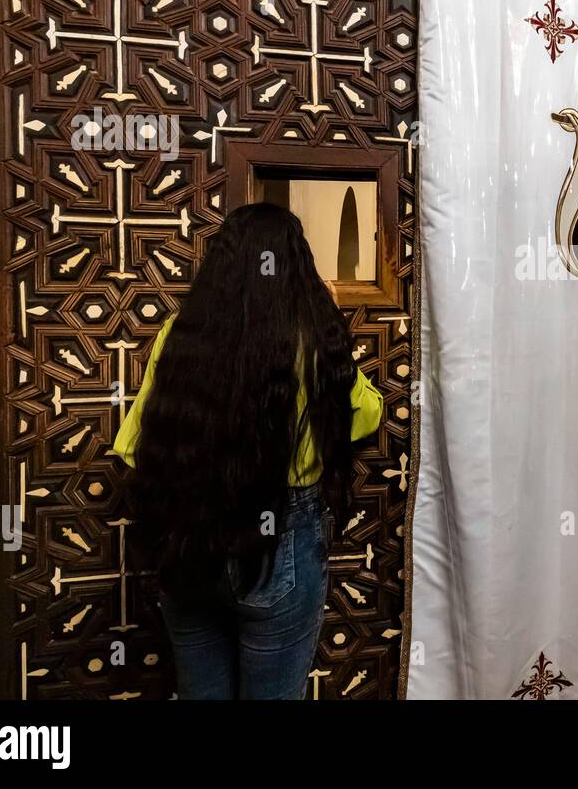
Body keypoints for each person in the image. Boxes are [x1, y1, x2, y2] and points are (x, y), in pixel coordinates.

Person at [111, 203, 383, 699]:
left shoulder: (181, 334)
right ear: (298, 265)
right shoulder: (312, 340)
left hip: (187, 545)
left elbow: (134, 448)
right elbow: (367, 413)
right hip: (279, 544)